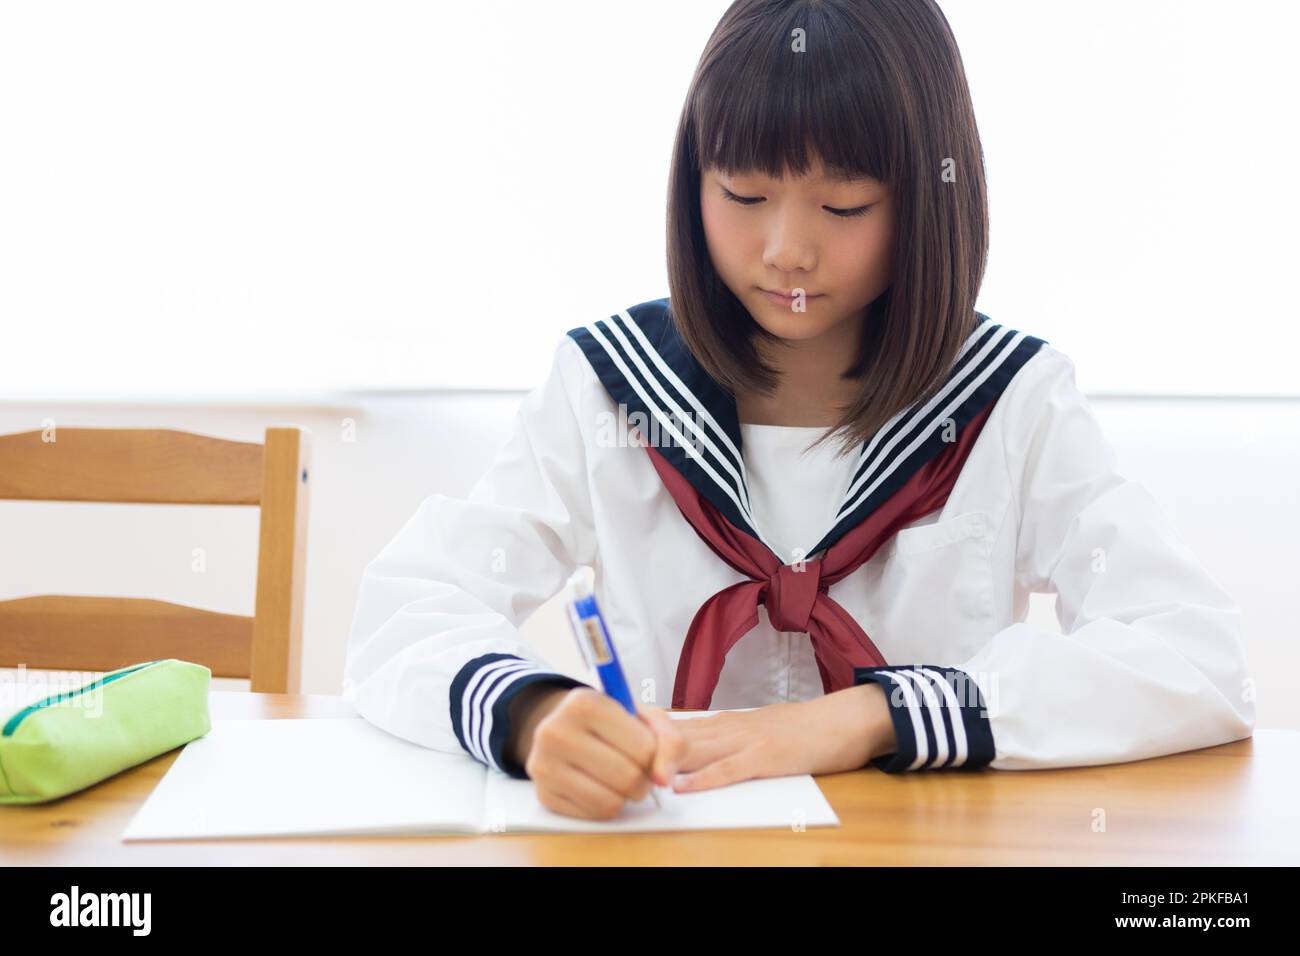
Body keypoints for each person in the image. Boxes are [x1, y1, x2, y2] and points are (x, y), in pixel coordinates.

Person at [343, 0, 1254, 821]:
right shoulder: (608, 387)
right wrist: (533, 713)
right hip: (667, 841)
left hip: (924, 847)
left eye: (844, 203)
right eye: (743, 194)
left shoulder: (1008, 400)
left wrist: (874, 716)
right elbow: (408, 609)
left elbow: (1194, 656)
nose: (786, 250)